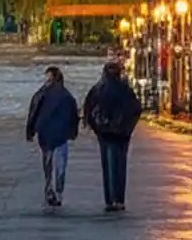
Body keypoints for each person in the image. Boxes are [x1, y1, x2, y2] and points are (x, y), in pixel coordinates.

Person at [84, 60, 143, 212]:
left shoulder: (97, 89)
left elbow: (89, 111)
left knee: (108, 165)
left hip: (105, 134)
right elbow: (136, 109)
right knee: (121, 165)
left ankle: (110, 200)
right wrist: (128, 127)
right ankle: (119, 199)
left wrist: (97, 128)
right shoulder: (126, 90)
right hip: (122, 134)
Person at [26, 66, 79, 209]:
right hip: (60, 135)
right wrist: (73, 132)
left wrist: (30, 131)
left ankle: (50, 189)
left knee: (48, 164)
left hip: (46, 135)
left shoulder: (41, 94)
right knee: (60, 166)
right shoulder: (67, 96)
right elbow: (74, 116)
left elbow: (33, 113)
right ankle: (57, 191)